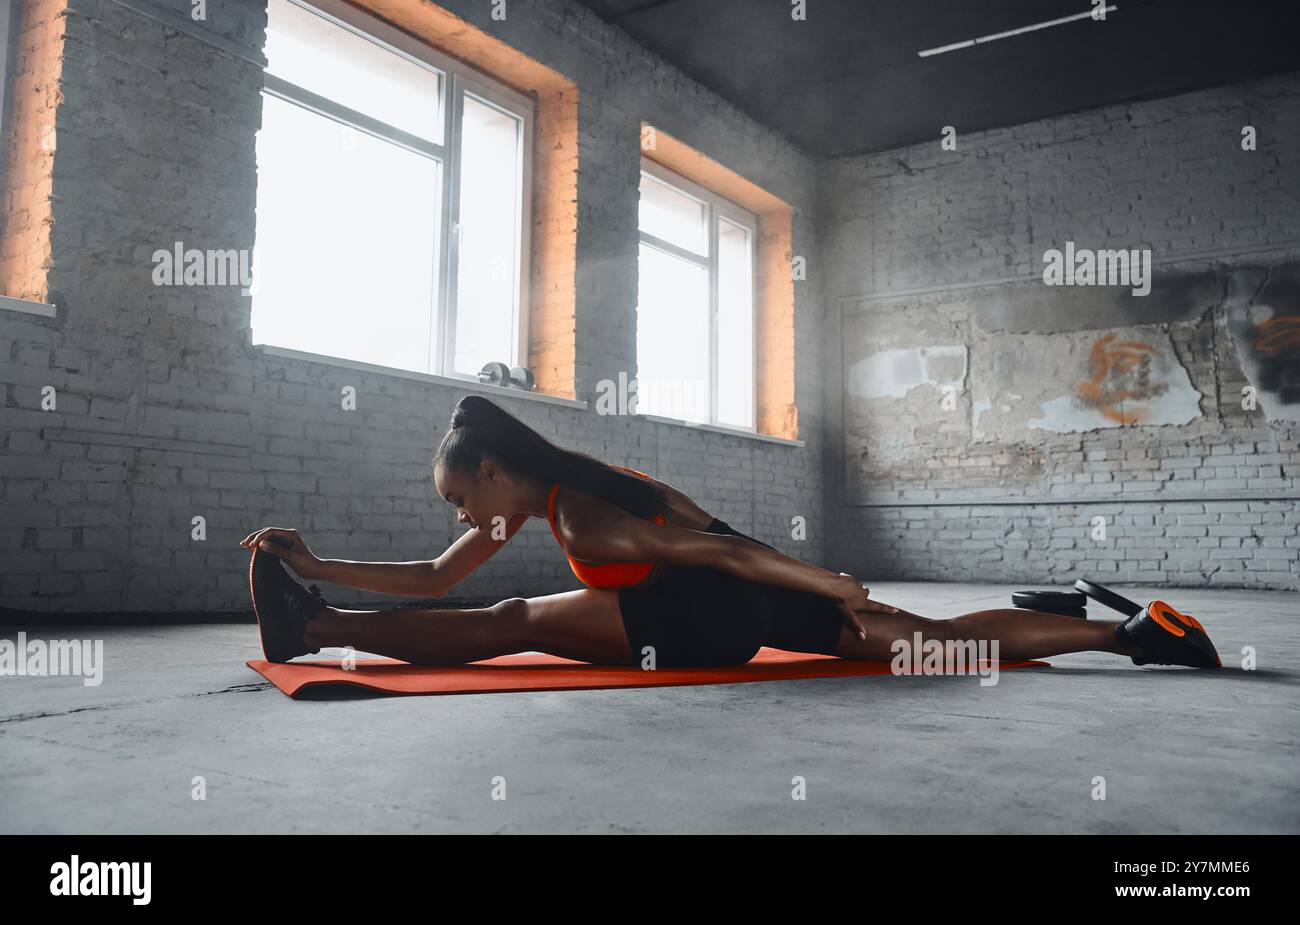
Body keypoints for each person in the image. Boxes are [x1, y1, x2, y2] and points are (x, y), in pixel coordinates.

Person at [242, 395, 1221, 671]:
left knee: (511, 617)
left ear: (493, 473)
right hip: (726, 596)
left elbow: (717, 552)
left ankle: (316, 631)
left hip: (710, 616)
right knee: (931, 647)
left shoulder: (582, 510)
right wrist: (316, 559)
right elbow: (427, 573)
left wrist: (828, 583)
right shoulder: (557, 490)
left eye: (461, 500)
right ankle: (1119, 633)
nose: (461, 520)